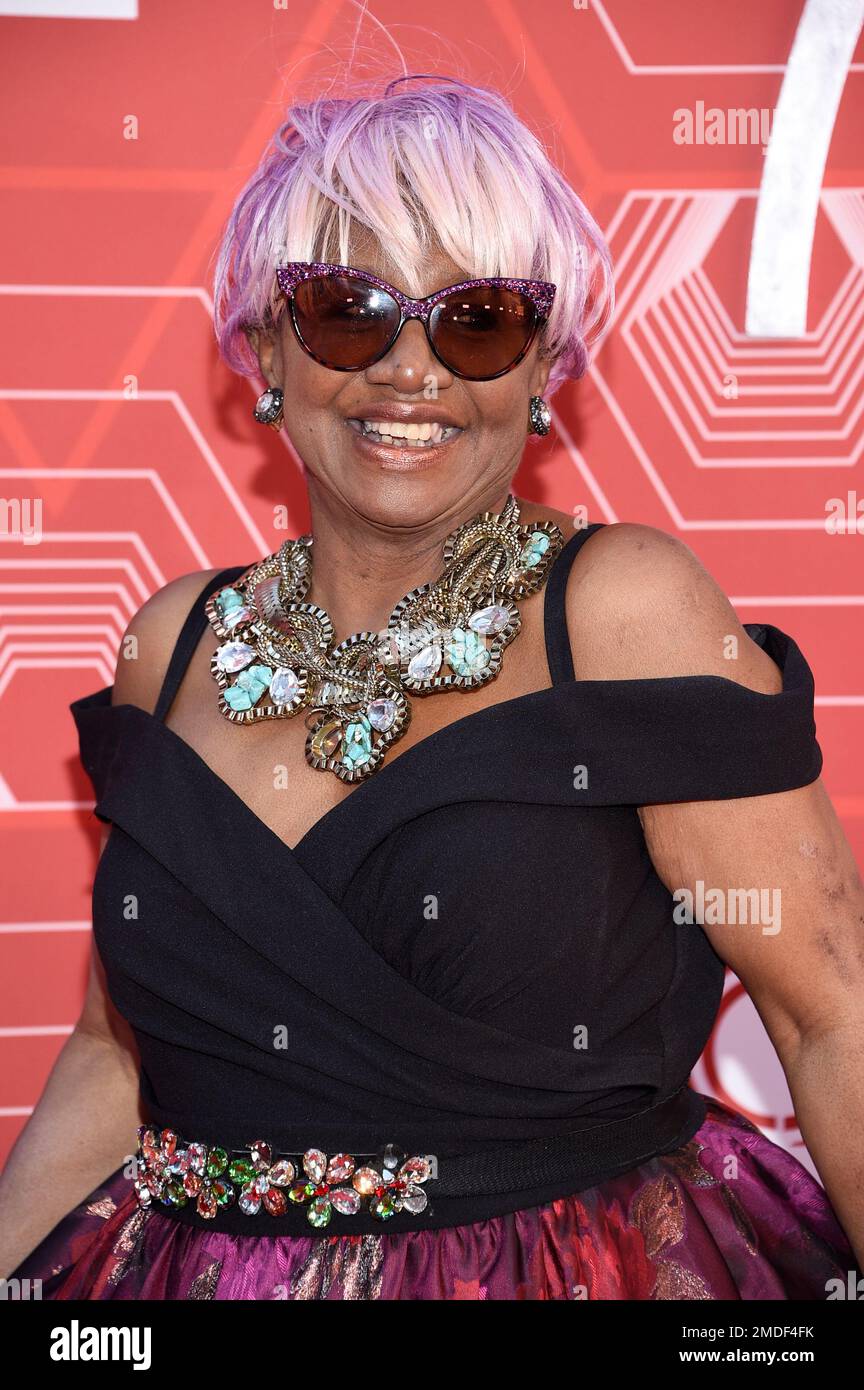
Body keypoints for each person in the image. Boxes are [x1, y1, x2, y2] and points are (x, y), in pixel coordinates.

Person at [1, 73, 860, 1301]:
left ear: (542, 365)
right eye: (350, 311)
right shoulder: (170, 644)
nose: (411, 370)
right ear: (263, 347)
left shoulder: (622, 613)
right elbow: (112, 1051)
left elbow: (835, 1011)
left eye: (478, 319)